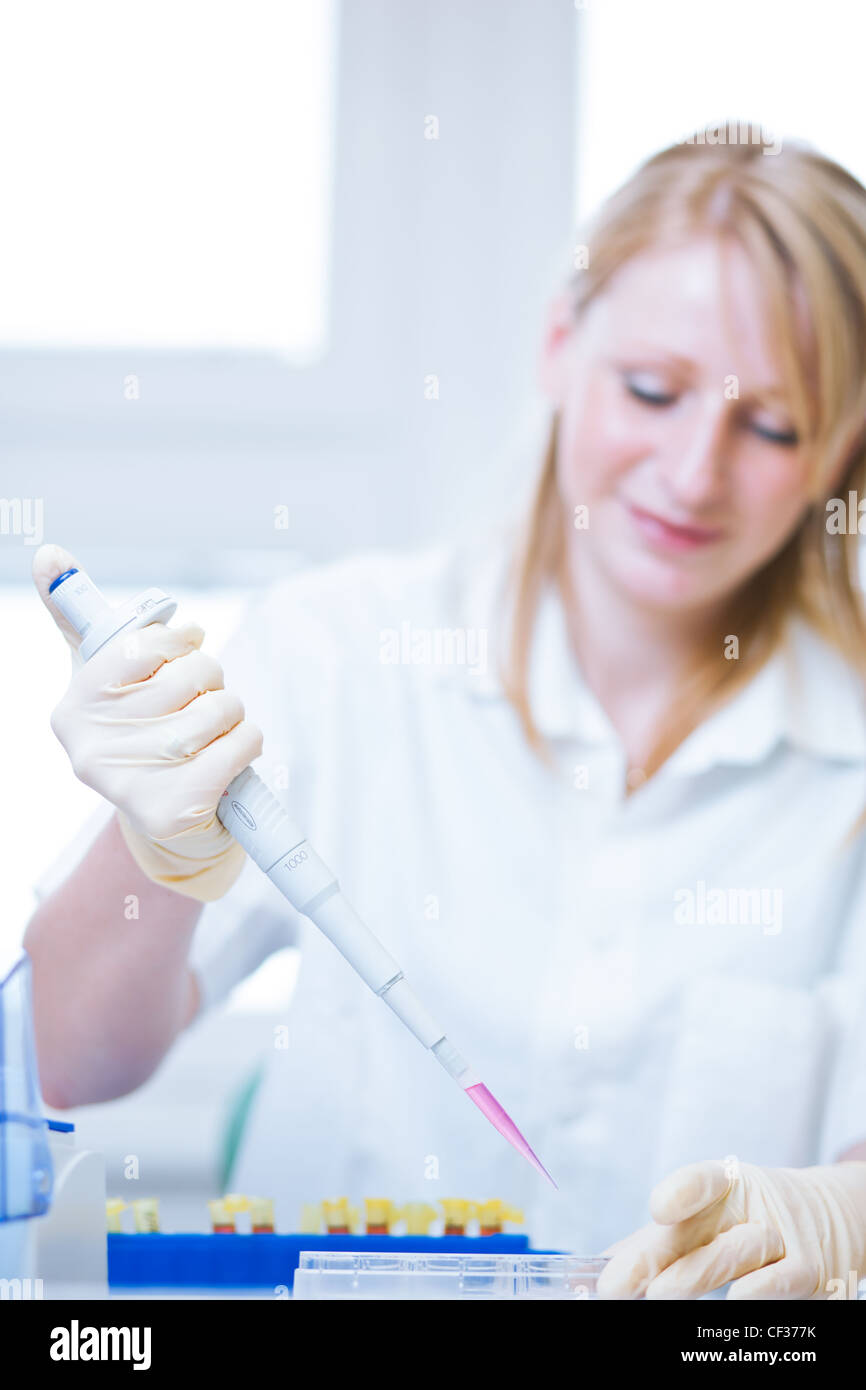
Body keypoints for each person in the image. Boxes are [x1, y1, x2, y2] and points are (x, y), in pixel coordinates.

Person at [25, 125, 866, 1297]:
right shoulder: (338, 653)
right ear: (560, 343)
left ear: (842, 451)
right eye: (652, 390)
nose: (691, 471)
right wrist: (150, 847)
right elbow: (67, 1059)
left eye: (770, 424)